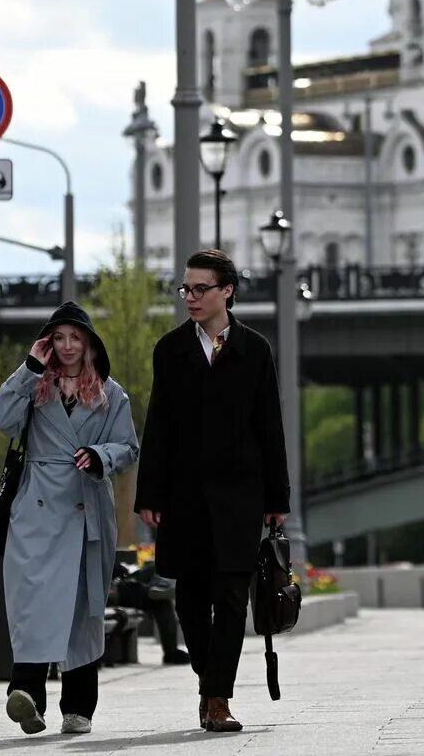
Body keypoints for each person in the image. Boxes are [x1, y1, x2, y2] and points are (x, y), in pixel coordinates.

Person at [133, 249, 289, 734]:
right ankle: (210, 682)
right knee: (191, 604)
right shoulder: (170, 350)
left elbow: (270, 427)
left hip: (240, 498)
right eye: (185, 288)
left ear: (228, 291)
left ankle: (217, 698)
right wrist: (150, 494)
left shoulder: (255, 350)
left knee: (231, 597)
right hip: (184, 498)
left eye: (201, 288)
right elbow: (158, 425)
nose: (191, 298)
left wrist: (276, 499)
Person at [0, 302, 140, 736]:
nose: (68, 346)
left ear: (89, 342)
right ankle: (28, 695)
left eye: (76, 337)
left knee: (82, 609)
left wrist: (100, 456)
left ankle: (78, 707)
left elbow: (128, 447)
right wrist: (29, 367)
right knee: (33, 603)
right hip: (35, 507)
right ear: (48, 343)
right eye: (59, 338)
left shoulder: (113, 393)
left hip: (86, 507)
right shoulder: (34, 387)